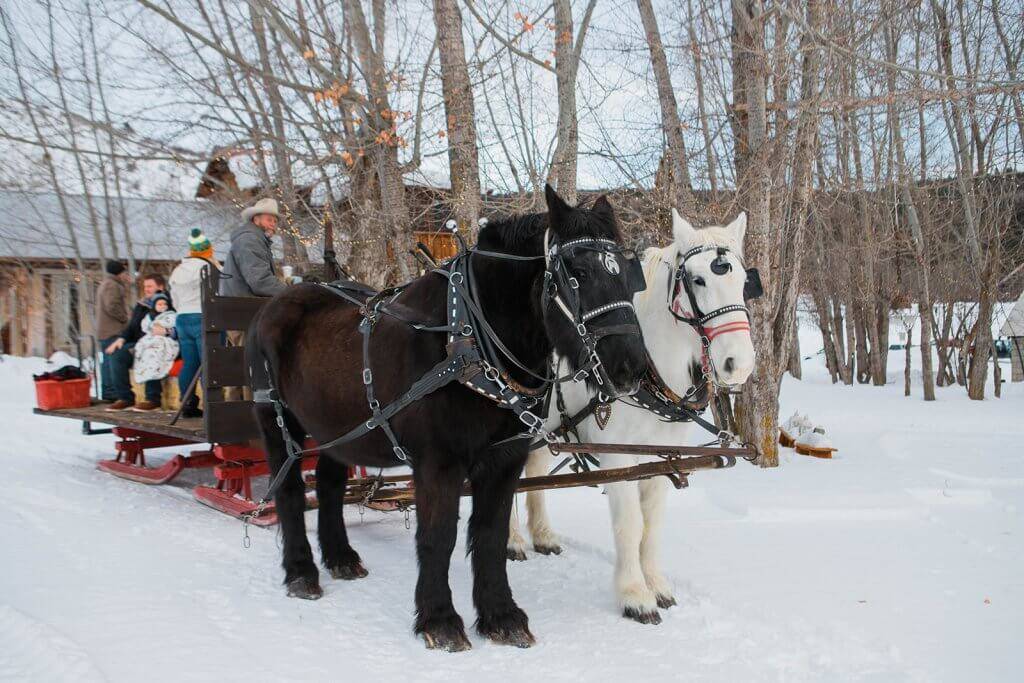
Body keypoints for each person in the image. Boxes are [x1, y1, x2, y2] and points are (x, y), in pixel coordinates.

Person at [220, 198, 287, 401]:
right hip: (243, 310)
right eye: (269, 220)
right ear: (256, 219)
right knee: (251, 363)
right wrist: (290, 292)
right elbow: (259, 281)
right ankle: (251, 414)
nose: (273, 225)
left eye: (275, 221)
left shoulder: (252, 240)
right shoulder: (250, 240)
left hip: (240, 308)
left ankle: (236, 413)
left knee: (241, 361)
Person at [169, 228, 220, 418]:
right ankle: (212, 406)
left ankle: (187, 403)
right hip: (203, 317)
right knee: (209, 363)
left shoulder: (178, 270)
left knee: (189, 363)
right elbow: (219, 294)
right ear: (207, 250)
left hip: (182, 318)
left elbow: (174, 299)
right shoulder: (208, 268)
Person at [104, 274, 171, 410]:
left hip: (162, 342)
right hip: (139, 343)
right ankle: (125, 397)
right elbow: (132, 326)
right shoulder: (142, 304)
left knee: (150, 350)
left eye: (150, 286)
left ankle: (153, 399)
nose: (146, 289)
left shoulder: (166, 303)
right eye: (145, 286)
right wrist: (121, 339)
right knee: (117, 354)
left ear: (161, 287)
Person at [130, 294, 179, 411]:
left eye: (164, 304)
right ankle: (150, 397)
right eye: (159, 304)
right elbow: (144, 328)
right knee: (144, 352)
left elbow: (175, 327)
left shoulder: (171, 315)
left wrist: (166, 330)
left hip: (167, 341)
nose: (162, 306)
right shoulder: (150, 317)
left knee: (153, 355)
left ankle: (153, 398)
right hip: (152, 340)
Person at [95, 260, 131, 402]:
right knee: (112, 361)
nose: (125, 275)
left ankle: (108, 390)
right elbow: (112, 306)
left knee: (107, 361)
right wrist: (125, 319)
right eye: (124, 272)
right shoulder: (113, 285)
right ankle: (111, 391)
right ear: (119, 273)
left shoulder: (105, 283)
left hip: (105, 329)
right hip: (112, 329)